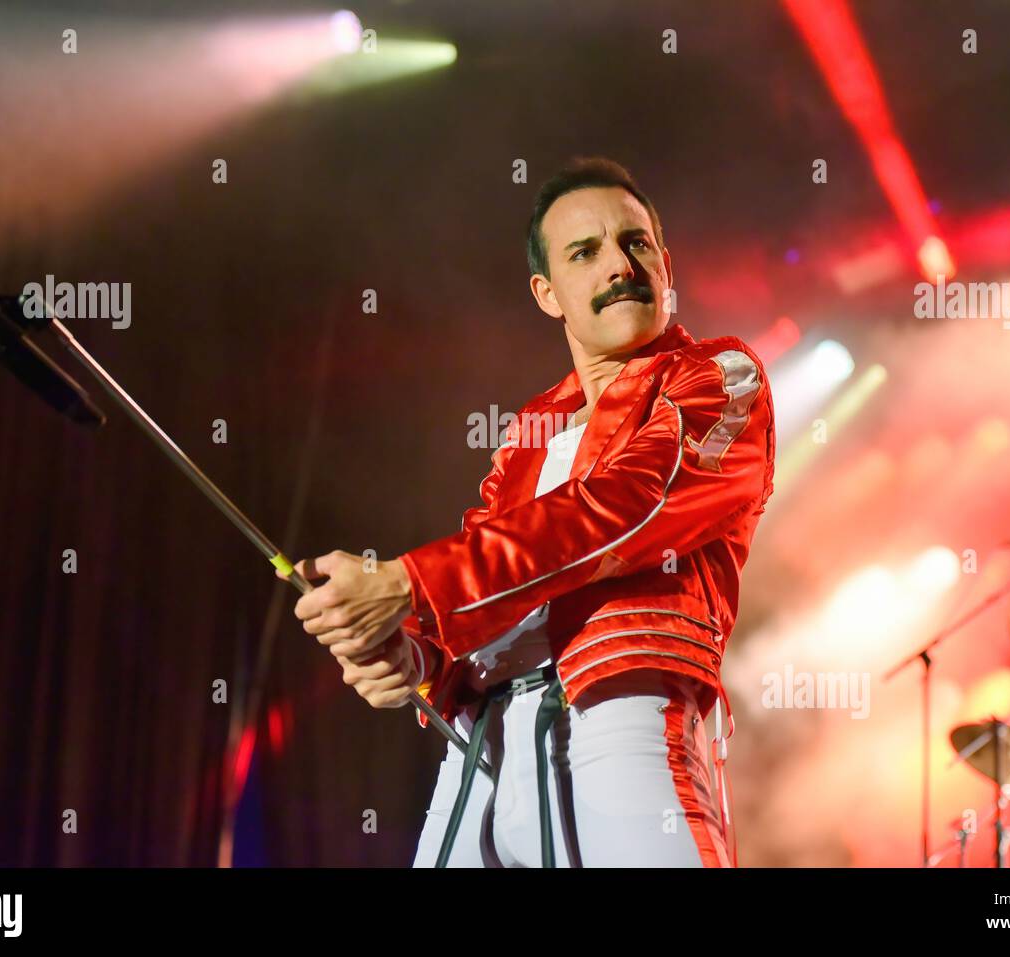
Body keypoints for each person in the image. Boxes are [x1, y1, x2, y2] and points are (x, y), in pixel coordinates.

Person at [284, 157, 775, 867]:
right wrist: (413, 652)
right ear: (548, 293)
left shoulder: (721, 376)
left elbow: (625, 507)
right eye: (586, 251)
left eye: (635, 243)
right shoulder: (530, 432)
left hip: (620, 718)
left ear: (666, 265)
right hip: (482, 749)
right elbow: (491, 581)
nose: (619, 264)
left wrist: (410, 584)